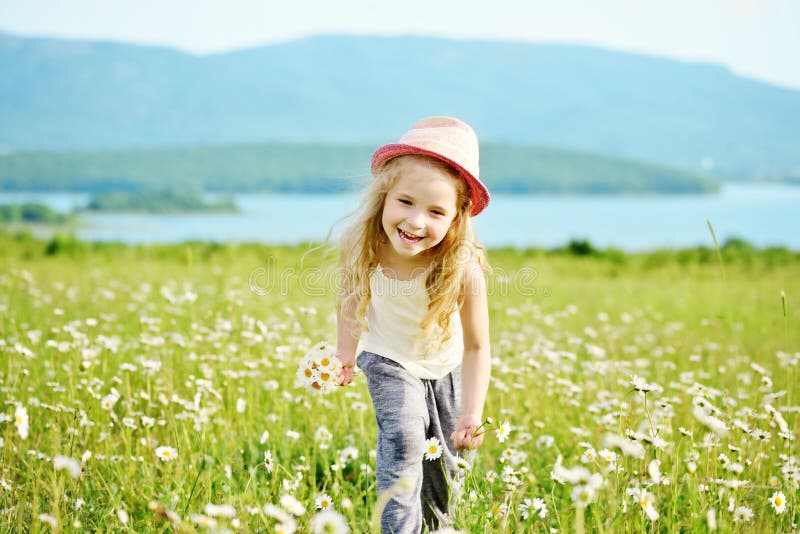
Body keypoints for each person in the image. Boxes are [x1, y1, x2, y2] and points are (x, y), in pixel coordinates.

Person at [335, 116, 492, 533]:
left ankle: (437, 528)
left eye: (436, 211)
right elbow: (349, 299)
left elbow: (478, 347)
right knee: (404, 439)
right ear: (384, 197)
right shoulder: (366, 247)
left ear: (456, 219)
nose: (416, 222)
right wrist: (345, 353)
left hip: (446, 367)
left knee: (445, 465)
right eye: (405, 202)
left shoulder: (463, 270)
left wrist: (472, 415)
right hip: (387, 358)